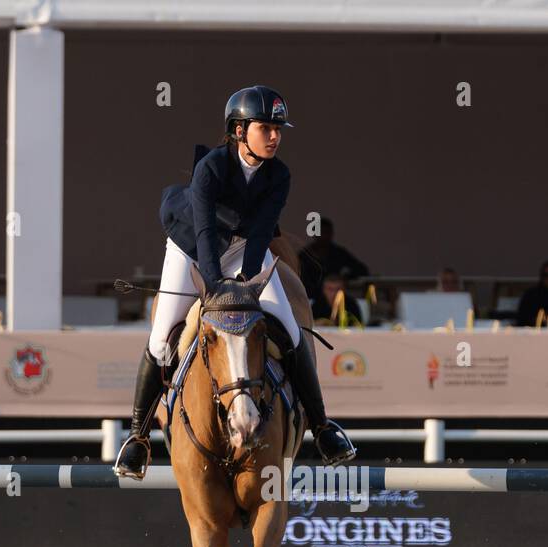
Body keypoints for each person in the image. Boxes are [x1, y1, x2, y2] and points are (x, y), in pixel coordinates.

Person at [114, 86, 355, 479]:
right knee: (161, 339)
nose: (275, 136)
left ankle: (324, 427)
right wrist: (215, 287)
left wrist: (247, 282)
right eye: (266, 127)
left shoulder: (279, 175)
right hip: (192, 247)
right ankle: (137, 438)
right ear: (239, 130)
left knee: (292, 333)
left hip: (244, 247)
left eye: (279, 128)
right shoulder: (211, 166)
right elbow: (207, 233)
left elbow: (261, 233)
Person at [298, 216, 368, 299]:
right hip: (311, 300)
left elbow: (361, 269)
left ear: (331, 234)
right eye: (320, 232)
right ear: (314, 234)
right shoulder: (305, 255)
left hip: (336, 300)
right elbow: (297, 277)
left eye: (326, 232)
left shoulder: (339, 253)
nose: (323, 236)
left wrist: (344, 278)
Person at [515, 260, 548, 325]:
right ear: (542, 276)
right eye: (546, 275)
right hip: (534, 330)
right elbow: (522, 317)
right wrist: (540, 319)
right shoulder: (531, 294)